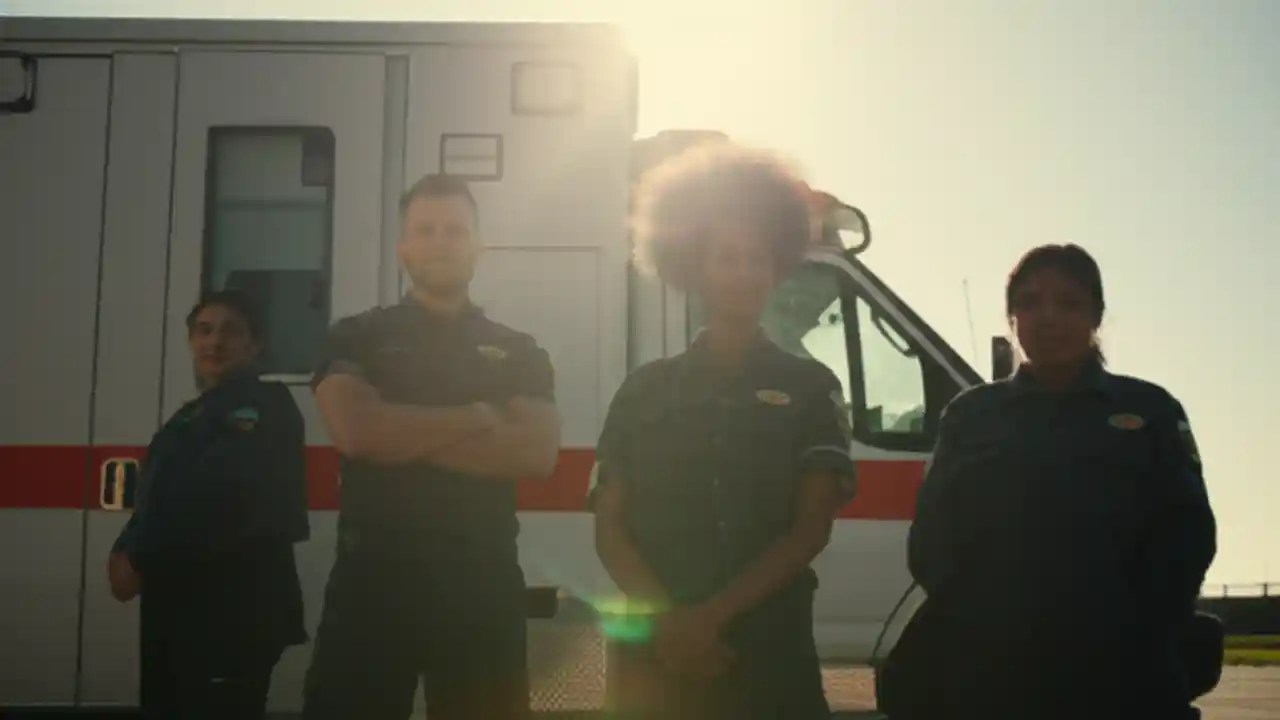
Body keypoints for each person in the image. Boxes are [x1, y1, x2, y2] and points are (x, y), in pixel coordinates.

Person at [590, 143, 857, 718]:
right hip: (655, 667)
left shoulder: (812, 388)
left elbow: (811, 529)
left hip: (768, 655)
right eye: (726, 258)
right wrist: (668, 623)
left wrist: (704, 622)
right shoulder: (642, 392)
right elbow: (610, 527)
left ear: (776, 268)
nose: (743, 273)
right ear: (694, 270)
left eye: (756, 259)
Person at [902, 244, 1217, 719]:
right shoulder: (970, 416)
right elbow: (933, 540)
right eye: (1029, 303)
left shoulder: (1150, 410)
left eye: (1068, 303)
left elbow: (1188, 534)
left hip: (1124, 674)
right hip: (995, 673)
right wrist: (984, 623)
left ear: (1097, 315)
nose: (1048, 317)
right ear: (1012, 319)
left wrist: (1137, 628)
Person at [300, 174, 561, 720]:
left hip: (480, 587)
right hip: (372, 585)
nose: (440, 241)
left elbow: (534, 454)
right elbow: (356, 432)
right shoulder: (356, 337)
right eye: (426, 230)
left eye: (454, 230)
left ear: (477, 247)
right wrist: (478, 417)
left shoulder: (518, 351)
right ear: (403, 249)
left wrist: (398, 433)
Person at [107, 289, 309, 720]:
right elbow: (156, 494)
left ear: (253, 346)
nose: (214, 341)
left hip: (232, 613)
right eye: (204, 330)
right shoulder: (188, 417)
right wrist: (123, 548)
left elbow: (215, 493)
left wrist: (137, 557)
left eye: (230, 332)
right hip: (178, 607)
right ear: (190, 341)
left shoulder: (264, 406)